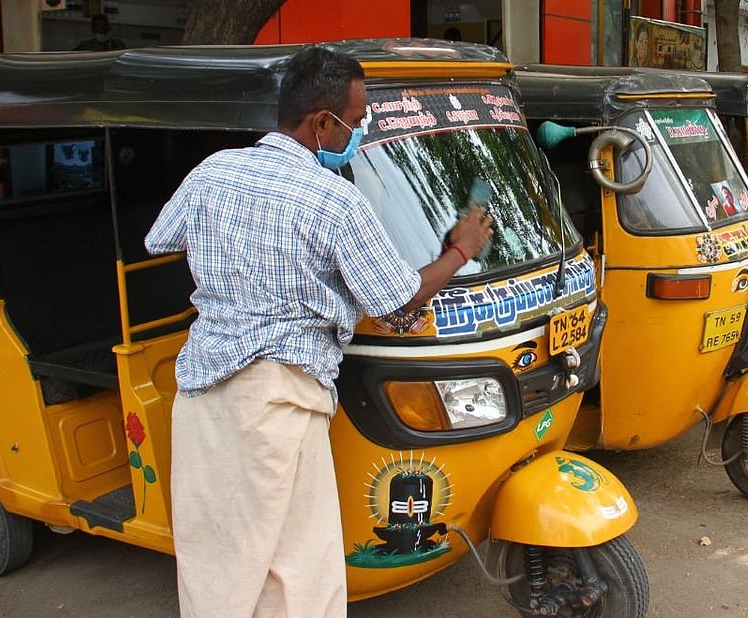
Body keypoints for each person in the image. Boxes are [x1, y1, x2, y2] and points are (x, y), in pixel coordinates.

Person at [144, 46, 493, 617]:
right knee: (299, 571)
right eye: (354, 122)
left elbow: (161, 238)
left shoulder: (213, 172)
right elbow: (398, 297)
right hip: (278, 404)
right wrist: (461, 250)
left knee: (217, 566)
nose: (357, 133)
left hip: (203, 399)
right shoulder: (335, 202)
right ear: (322, 124)